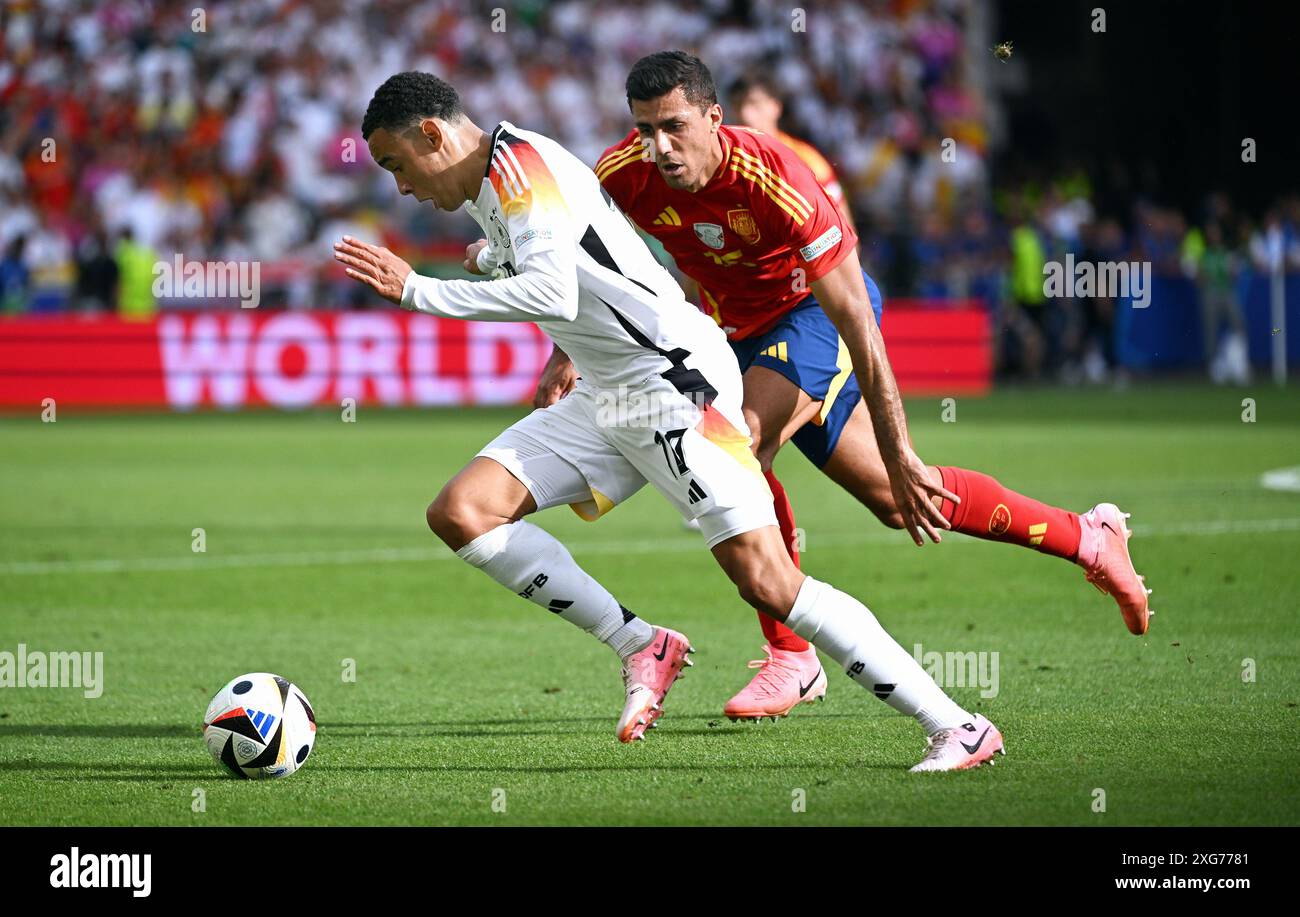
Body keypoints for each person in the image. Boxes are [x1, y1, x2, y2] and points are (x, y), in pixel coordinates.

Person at [335, 70, 1004, 771]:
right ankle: (641, 644)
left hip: (674, 386)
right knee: (464, 511)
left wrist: (416, 288)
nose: (401, 186)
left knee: (768, 580)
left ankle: (956, 725)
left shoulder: (521, 170)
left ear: (434, 135)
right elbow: (570, 262)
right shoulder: (498, 180)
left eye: (396, 165)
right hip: (610, 392)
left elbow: (553, 289)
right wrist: (490, 259)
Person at [532, 51, 1151, 723]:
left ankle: (792, 656)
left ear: (715, 118)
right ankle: (1087, 537)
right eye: (645, 129)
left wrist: (905, 447)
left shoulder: (780, 178)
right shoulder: (623, 173)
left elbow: (858, 320)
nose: (659, 146)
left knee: (736, 443)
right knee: (894, 500)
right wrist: (567, 348)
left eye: (675, 126)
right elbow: (596, 264)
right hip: (729, 329)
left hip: (814, 319)